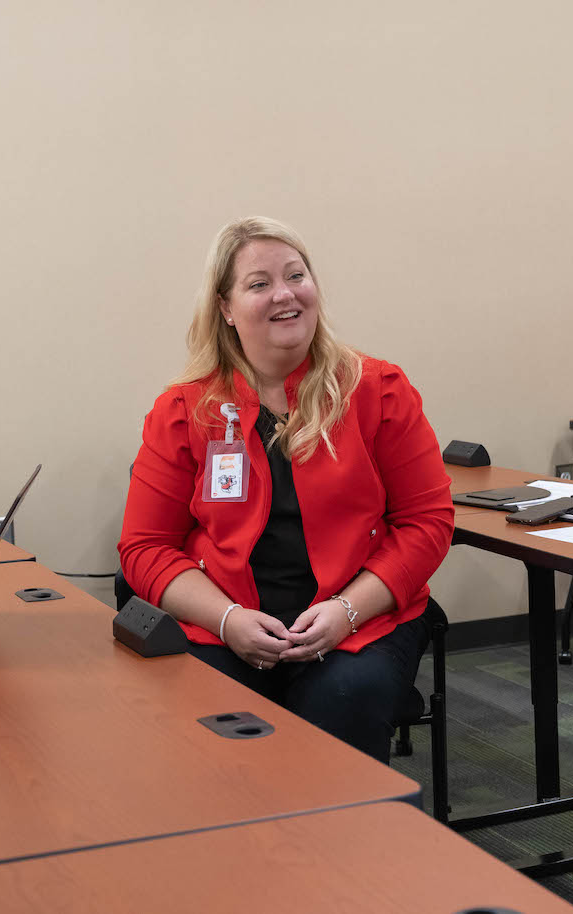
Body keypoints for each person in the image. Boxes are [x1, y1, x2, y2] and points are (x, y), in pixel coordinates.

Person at [118, 216, 454, 762]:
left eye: (296, 275)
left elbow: (428, 523)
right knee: (199, 715)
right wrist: (228, 621)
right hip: (225, 625)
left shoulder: (379, 391)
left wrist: (346, 611)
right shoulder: (184, 410)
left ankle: (347, 844)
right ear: (225, 308)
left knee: (343, 698)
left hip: (358, 625)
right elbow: (144, 548)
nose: (285, 294)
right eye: (259, 284)